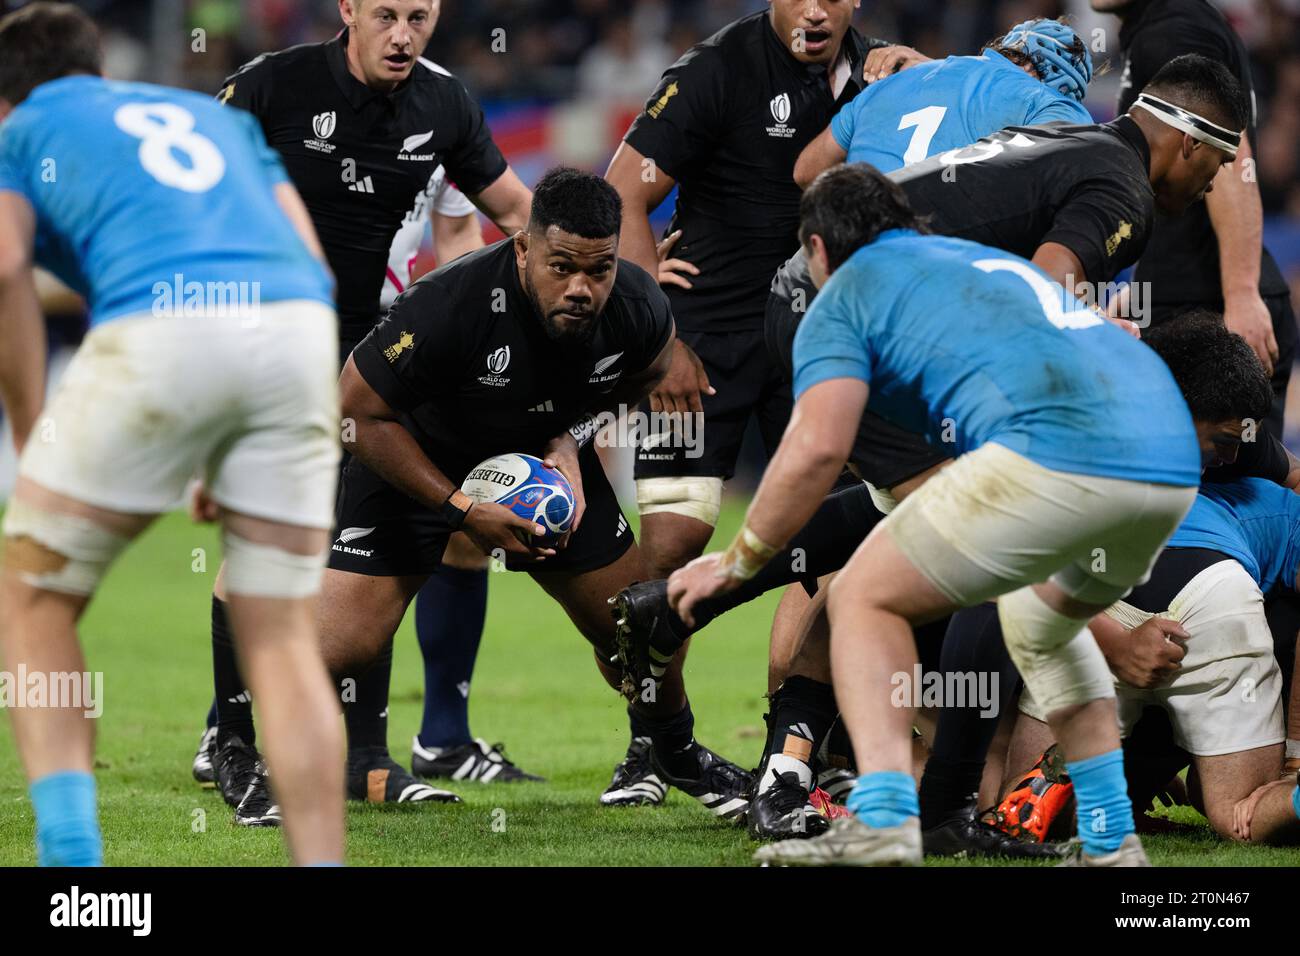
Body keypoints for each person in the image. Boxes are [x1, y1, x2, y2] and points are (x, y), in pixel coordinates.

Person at [616, 53, 1246, 845]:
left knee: (906, 553)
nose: (1217, 183)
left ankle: (882, 799)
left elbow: (819, 174)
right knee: (921, 556)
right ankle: (941, 813)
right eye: (1219, 163)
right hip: (1104, 421)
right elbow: (1049, 279)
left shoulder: (1045, 137)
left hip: (876, 317)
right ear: (1187, 143)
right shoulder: (1115, 185)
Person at [234, 167, 755, 819]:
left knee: (636, 624)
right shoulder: (450, 304)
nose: (581, 288)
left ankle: (675, 751)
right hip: (418, 453)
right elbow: (355, 413)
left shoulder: (639, 307)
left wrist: (572, 437)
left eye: (598, 270)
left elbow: (643, 374)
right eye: (561, 266)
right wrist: (460, 510)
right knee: (344, 643)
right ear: (523, 249)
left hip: (541, 453)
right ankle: (258, 766)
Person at [0, 2, 343, 866]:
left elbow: (5, 265)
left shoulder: (21, 128)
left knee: (30, 599)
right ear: (99, 72)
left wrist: (31, 426)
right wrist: (235, 433)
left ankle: (71, 870)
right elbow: (317, 262)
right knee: (280, 634)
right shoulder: (204, 114)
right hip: (297, 328)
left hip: (161, 328)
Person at [193, 0, 535, 824]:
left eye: (419, 16)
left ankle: (365, 755)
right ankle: (234, 748)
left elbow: (521, 214)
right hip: (269, 341)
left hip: (373, 363)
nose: (403, 34)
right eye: (386, 14)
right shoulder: (273, 87)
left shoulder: (445, 104)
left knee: (366, 539)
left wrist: (614, 277)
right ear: (347, 9)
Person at [601, 0, 882, 806]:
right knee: (669, 551)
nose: (818, 9)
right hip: (702, 359)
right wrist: (658, 324)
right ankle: (650, 745)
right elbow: (625, 188)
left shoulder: (880, 74)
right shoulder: (714, 71)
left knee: (831, 554)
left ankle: (794, 750)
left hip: (820, 356)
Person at [1092, 0, 1296, 438]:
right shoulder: (1166, 27)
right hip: (1192, 300)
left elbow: (1227, 154)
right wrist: (1140, 287)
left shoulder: (1174, 29)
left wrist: (1241, 292)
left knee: (1227, 491)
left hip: (1210, 312)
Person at [795, 17, 1093, 187]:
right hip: (936, 265)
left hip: (846, 260)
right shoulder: (1037, 97)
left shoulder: (895, 80)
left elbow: (806, 171)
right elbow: (1087, 158)